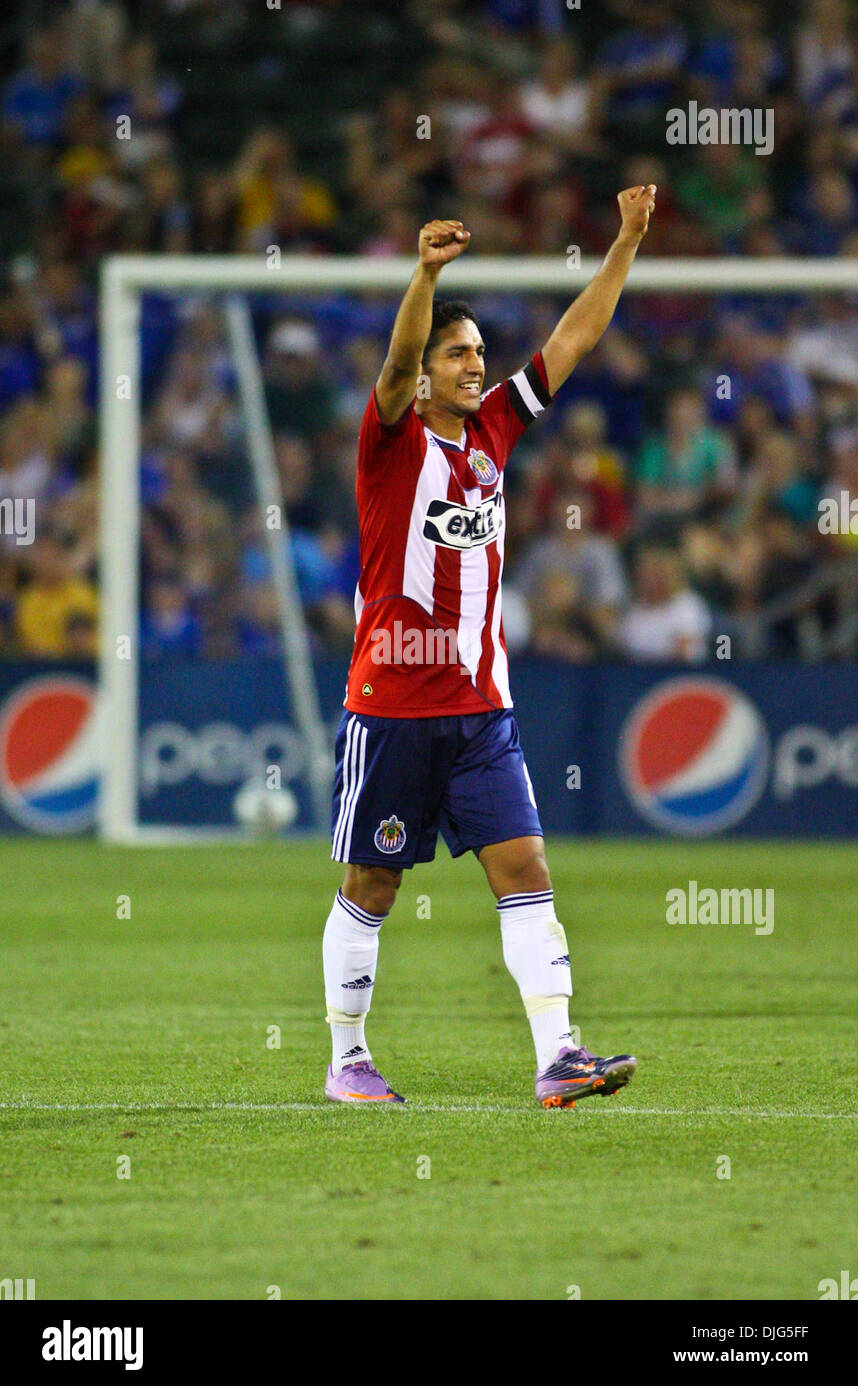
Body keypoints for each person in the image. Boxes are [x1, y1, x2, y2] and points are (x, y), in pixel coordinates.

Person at [322, 185, 657, 1108]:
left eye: (478, 353)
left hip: (481, 712)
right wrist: (426, 274)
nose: (475, 366)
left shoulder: (494, 434)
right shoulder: (390, 440)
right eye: (457, 354)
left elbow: (574, 340)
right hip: (391, 708)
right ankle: (347, 1057)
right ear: (425, 373)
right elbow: (394, 365)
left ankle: (559, 1055)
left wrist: (623, 241)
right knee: (373, 883)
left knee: (527, 869)